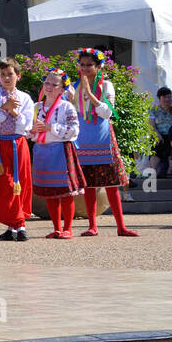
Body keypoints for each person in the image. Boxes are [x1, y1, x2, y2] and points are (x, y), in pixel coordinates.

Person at [68, 48, 136, 237]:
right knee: (89, 184)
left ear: (98, 66)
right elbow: (72, 112)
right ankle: (92, 225)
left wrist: (90, 94)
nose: (85, 68)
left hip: (103, 136)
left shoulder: (106, 85)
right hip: (83, 138)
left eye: (89, 65)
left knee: (111, 183)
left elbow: (107, 113)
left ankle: (121, 226)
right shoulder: (74, 86)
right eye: (82, 65)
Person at [0, 57, 34, 241]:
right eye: (2, 74)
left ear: (18, 76)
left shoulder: (25, 98)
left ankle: (19, 225)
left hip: (17, 144)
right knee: (4, 185)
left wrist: (13, 111)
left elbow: (25, 125)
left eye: (10, 74)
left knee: (19, 184)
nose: (6, 78)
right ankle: (13, 225)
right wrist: (4, 108)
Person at [31, 69, 84, 238]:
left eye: (55, 85)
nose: (49, 87)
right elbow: (27, 129)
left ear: (62, 89)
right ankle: (56, 228)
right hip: (42, 151)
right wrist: (31, 130)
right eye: (47, 83)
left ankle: (67, 228)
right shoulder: (36, 107)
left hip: (61, 151)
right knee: (50, 192)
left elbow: (74, 130)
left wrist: (50, 128)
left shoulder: (66, 107)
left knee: (65, 193)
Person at [148, 87, 172, 176]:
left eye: (169, 97)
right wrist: (157, 134)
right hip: (158, 134)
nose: (167, 99)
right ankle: (153, 171)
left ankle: (171, 170)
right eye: (164, 97)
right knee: (156, 147)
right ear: (159, 98)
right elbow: (151, 125)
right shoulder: (154, 110)